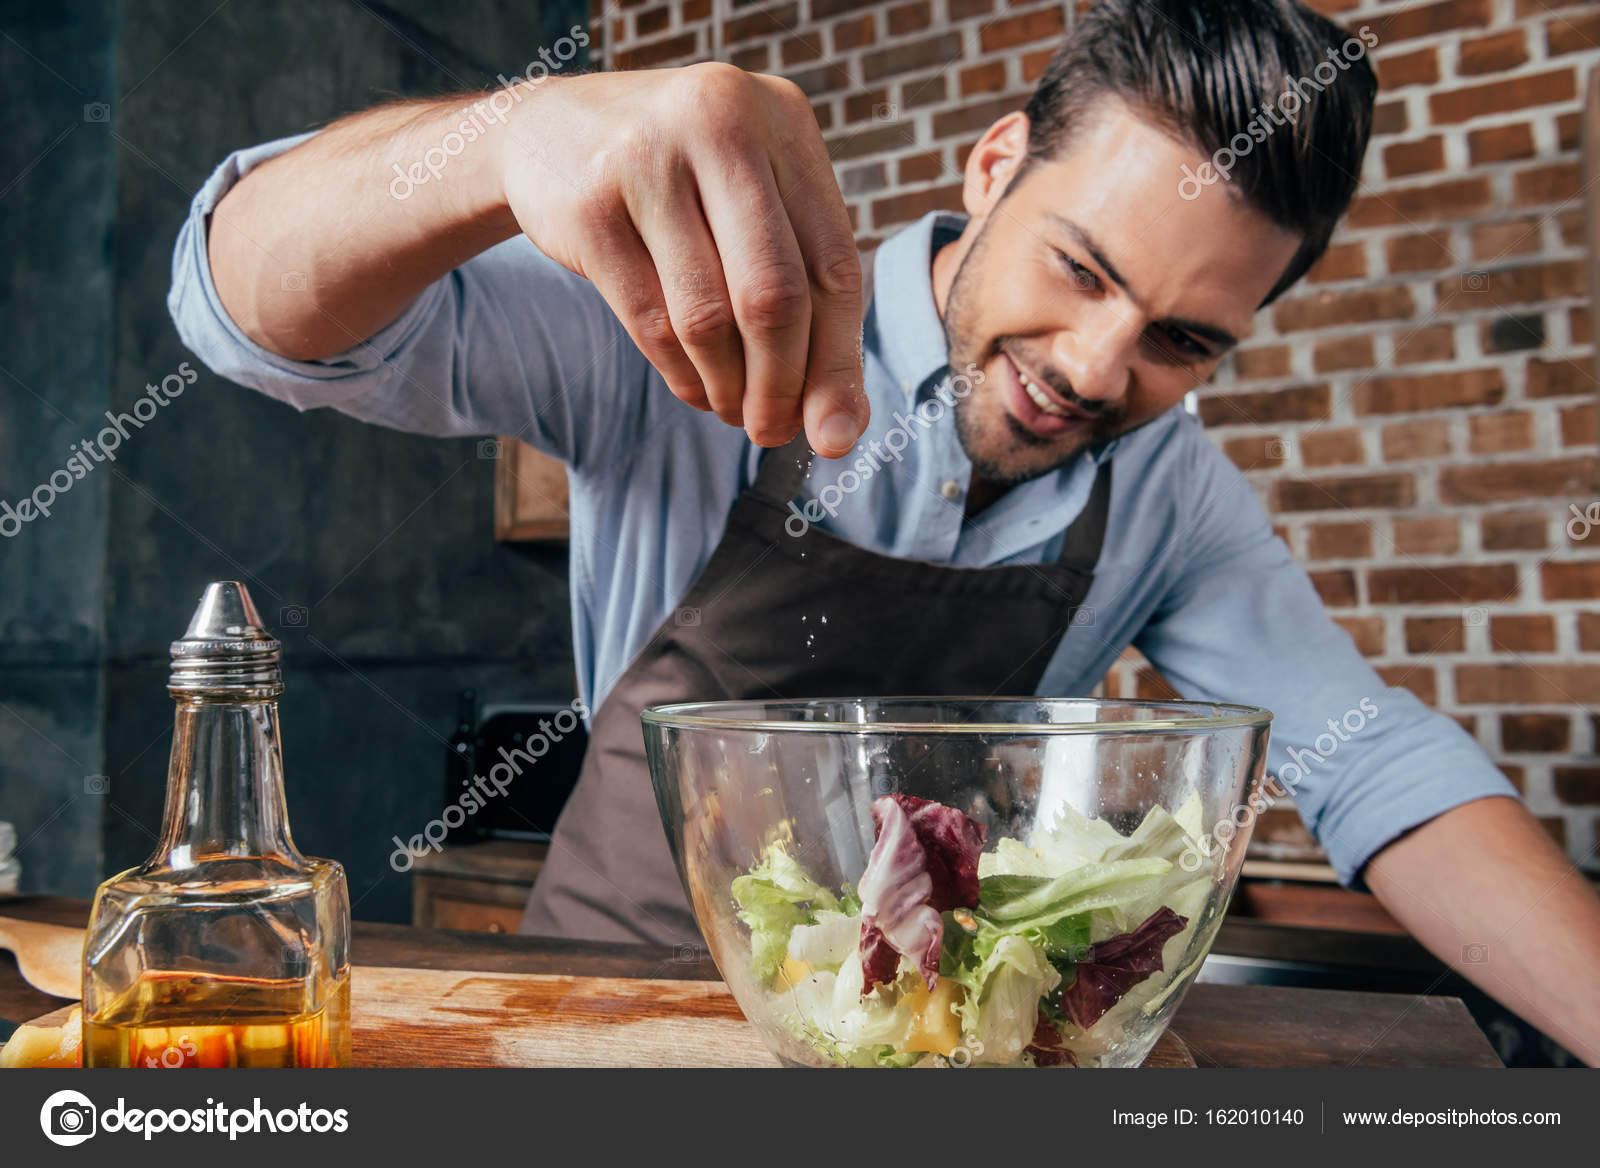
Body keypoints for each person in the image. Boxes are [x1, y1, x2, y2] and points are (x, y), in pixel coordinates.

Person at [168, 0, 1600, 1063]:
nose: (1100, 371)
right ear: (993, 167)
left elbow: (1372, 761)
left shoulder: (1169, 492)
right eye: (1080, 270)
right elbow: (247, 318)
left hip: (930, 1054)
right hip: (602, 1023)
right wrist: (506, 137)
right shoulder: (716, 311)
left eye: (1181, 339)